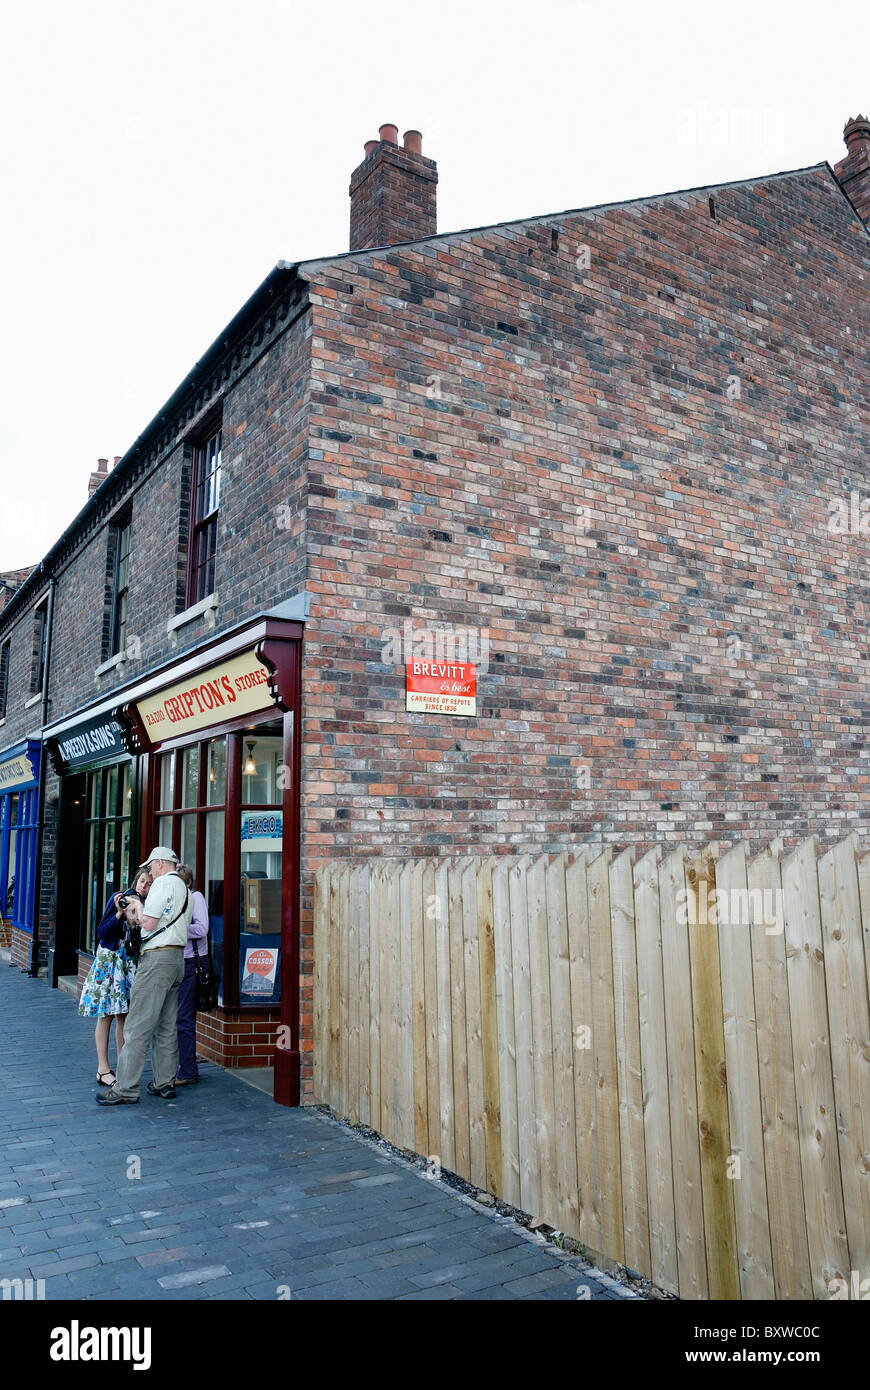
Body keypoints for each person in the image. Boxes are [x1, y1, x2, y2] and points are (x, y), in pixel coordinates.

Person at [96, 846, 193, 1107]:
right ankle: (164, 1082)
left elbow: (148, 923)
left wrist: (138, 905)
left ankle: (125, 1088)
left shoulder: (162, 884)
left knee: (137, 1025)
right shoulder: (185, 889)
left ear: (160, 863)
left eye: (151, 866)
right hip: (177, 959)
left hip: (157, 960)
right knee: (167, 1026)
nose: (149, 871)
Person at [79, 869, 153, 1085]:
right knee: (106, 1015)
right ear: (136, 880)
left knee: (124, 1015)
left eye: (149, 883)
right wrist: (120, 913)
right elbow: (102, 932)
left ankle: (124, 1067)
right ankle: (103, 1069)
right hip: (110, 961)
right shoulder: (119, 898)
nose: (143, 886)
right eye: (142, 881)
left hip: (128, 963)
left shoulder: (147, 907)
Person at [174, 863, 209, 1085]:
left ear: (188, 883)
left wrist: (177, 929)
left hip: (192, 963)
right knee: (178, 1017)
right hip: (179, 961)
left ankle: (187, 1070)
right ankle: (183, 1064)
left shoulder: (196, 898)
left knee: (184, 1017)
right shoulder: (178, 900)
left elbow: (202, 928)